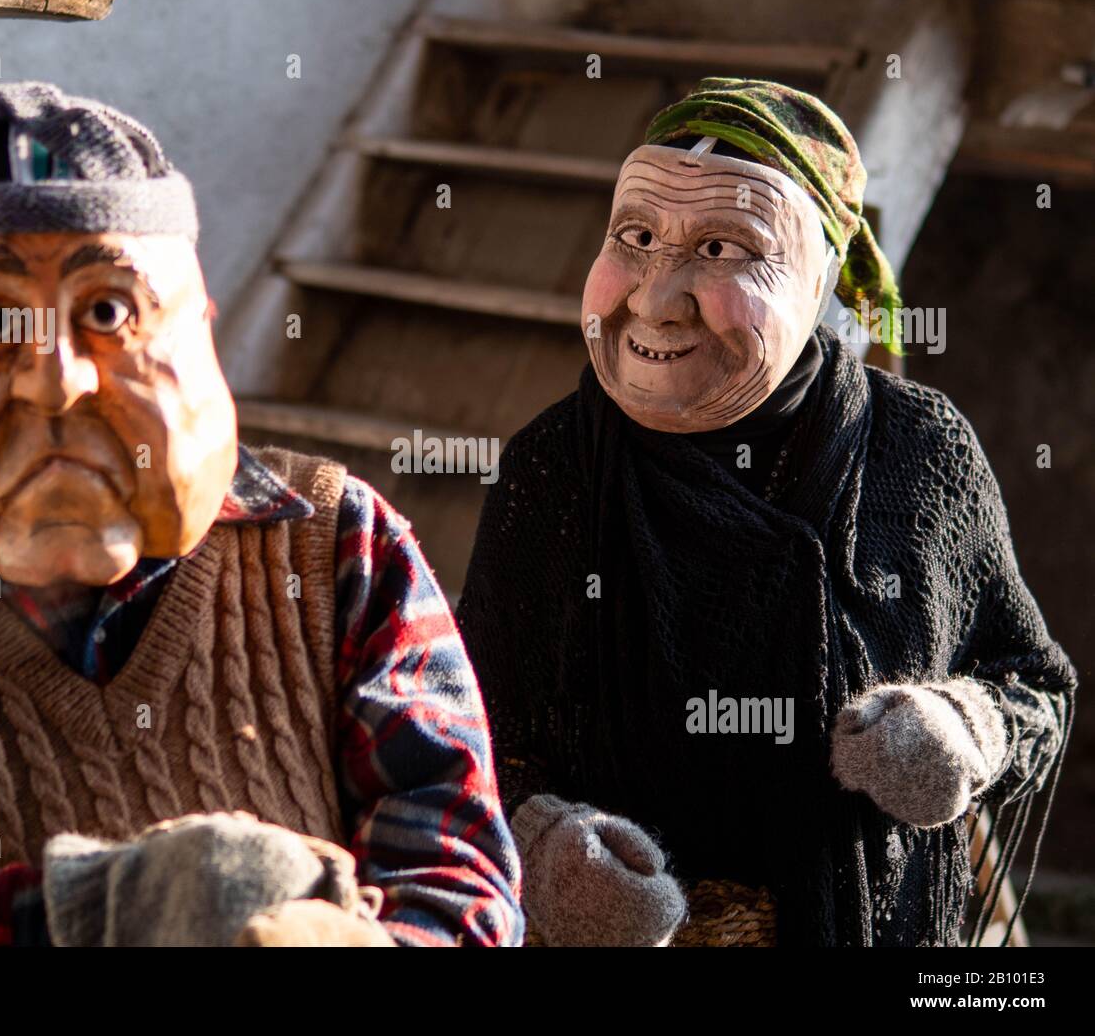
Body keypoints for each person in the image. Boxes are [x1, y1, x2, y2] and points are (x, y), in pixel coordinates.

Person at [0, 82, 521, 948]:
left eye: (109, 311)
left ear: (203, 335)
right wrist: (104, 911)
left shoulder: (342, 547)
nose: (55, 380)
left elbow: (456, 876)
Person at [456, 77, 1076, 947]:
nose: (655, 297)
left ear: (820, 275)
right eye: (635, 237)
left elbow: (1036, 686)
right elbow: (467, 731)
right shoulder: (553, 468)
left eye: (721, 248)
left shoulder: (920, 452)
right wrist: (545, 847)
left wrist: (966, 733)